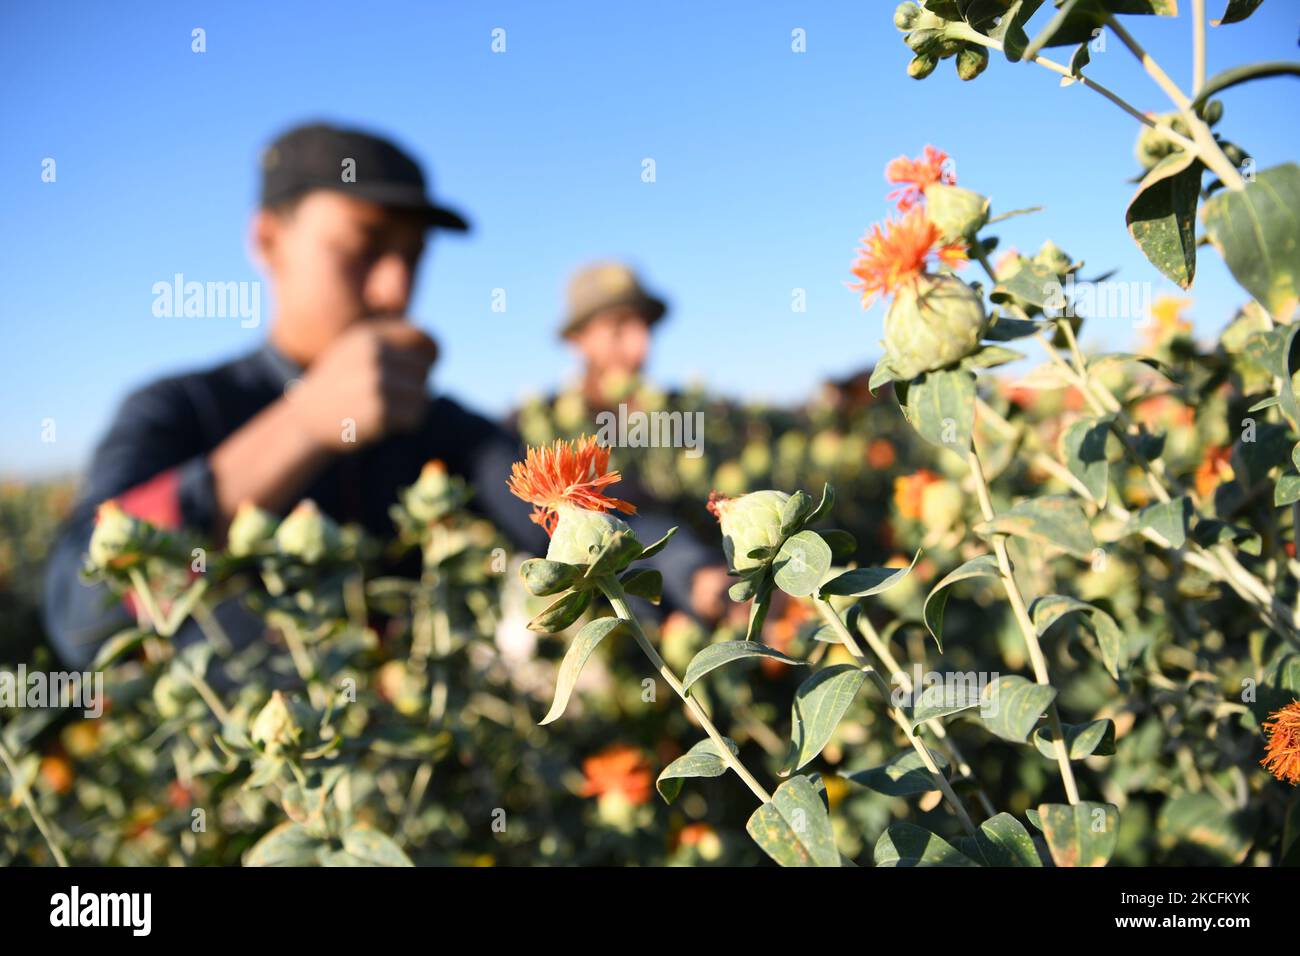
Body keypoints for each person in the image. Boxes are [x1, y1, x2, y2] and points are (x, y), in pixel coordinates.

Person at [42, 123, 715, 668]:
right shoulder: (177, 410)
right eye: (364, 247)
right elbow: (79, 615)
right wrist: (303, 427)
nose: (396, 289)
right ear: (267, 240)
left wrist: (696, 577)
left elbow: (570, 508)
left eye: (414, 257)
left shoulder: (436, 425)